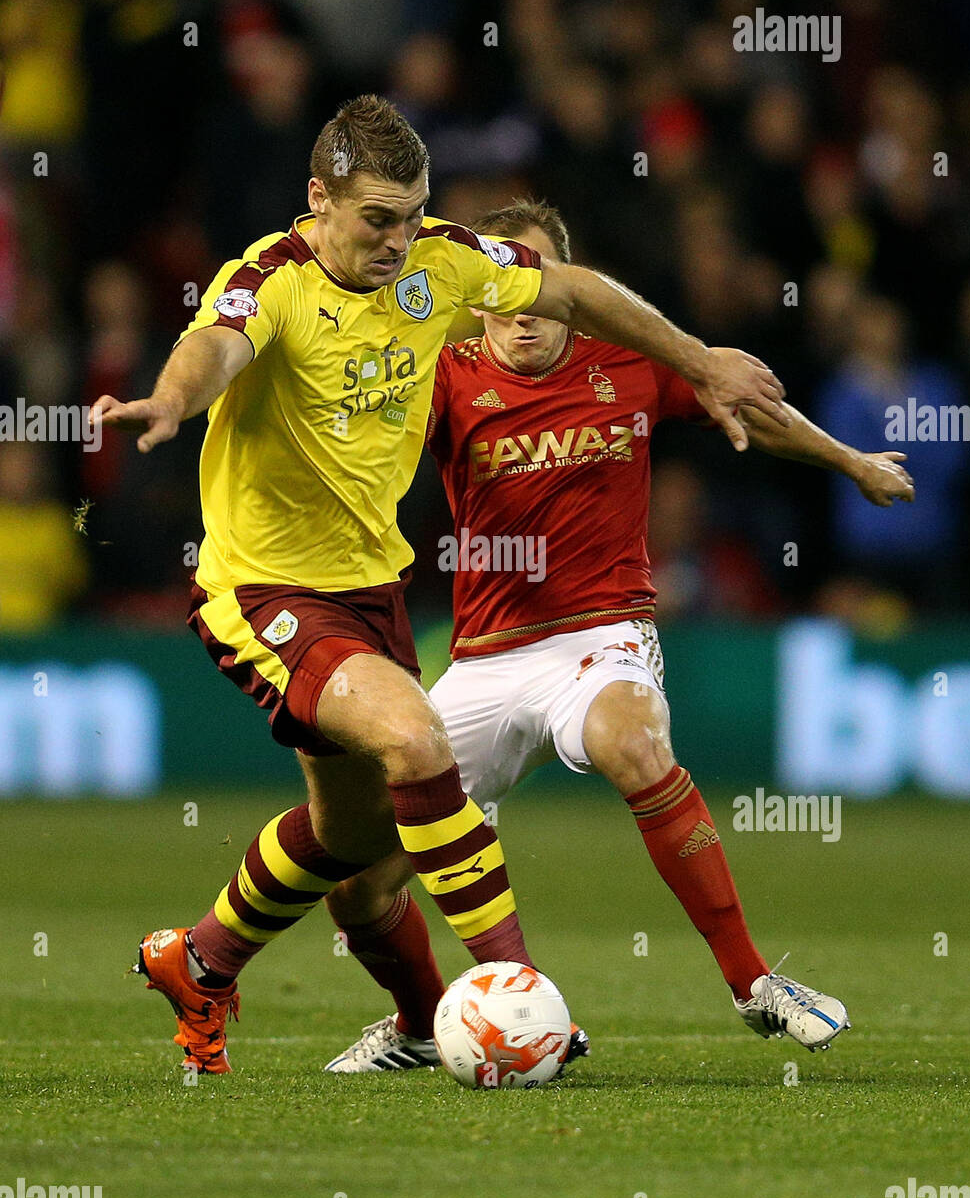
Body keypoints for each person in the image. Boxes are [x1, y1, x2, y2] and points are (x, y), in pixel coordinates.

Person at [91, 97, 788, 1074]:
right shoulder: (269, 280)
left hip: (369, 588)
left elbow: (577, 293)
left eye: (412, 214)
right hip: (262, 589)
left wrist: (699, 359)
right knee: (418, 740)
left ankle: (201, 960)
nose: (398, 238)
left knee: (352, 829)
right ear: (319, 201)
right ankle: (522, 994)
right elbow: (217, 346)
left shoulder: (443, 260)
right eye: (377, 217)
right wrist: (169, 398)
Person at [320, 199, 914, 1073]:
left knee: (629, 742)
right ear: (478, 297)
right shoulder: (444, 380)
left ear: (568, 293)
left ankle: (754, 985)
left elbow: (746, 404)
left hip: (599, 636)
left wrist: (853, 462)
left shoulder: (629, 364)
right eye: (501, 290)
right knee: (358, 886)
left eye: (540, 290)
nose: (522, 310)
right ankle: (415, 1023)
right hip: (484, 657)